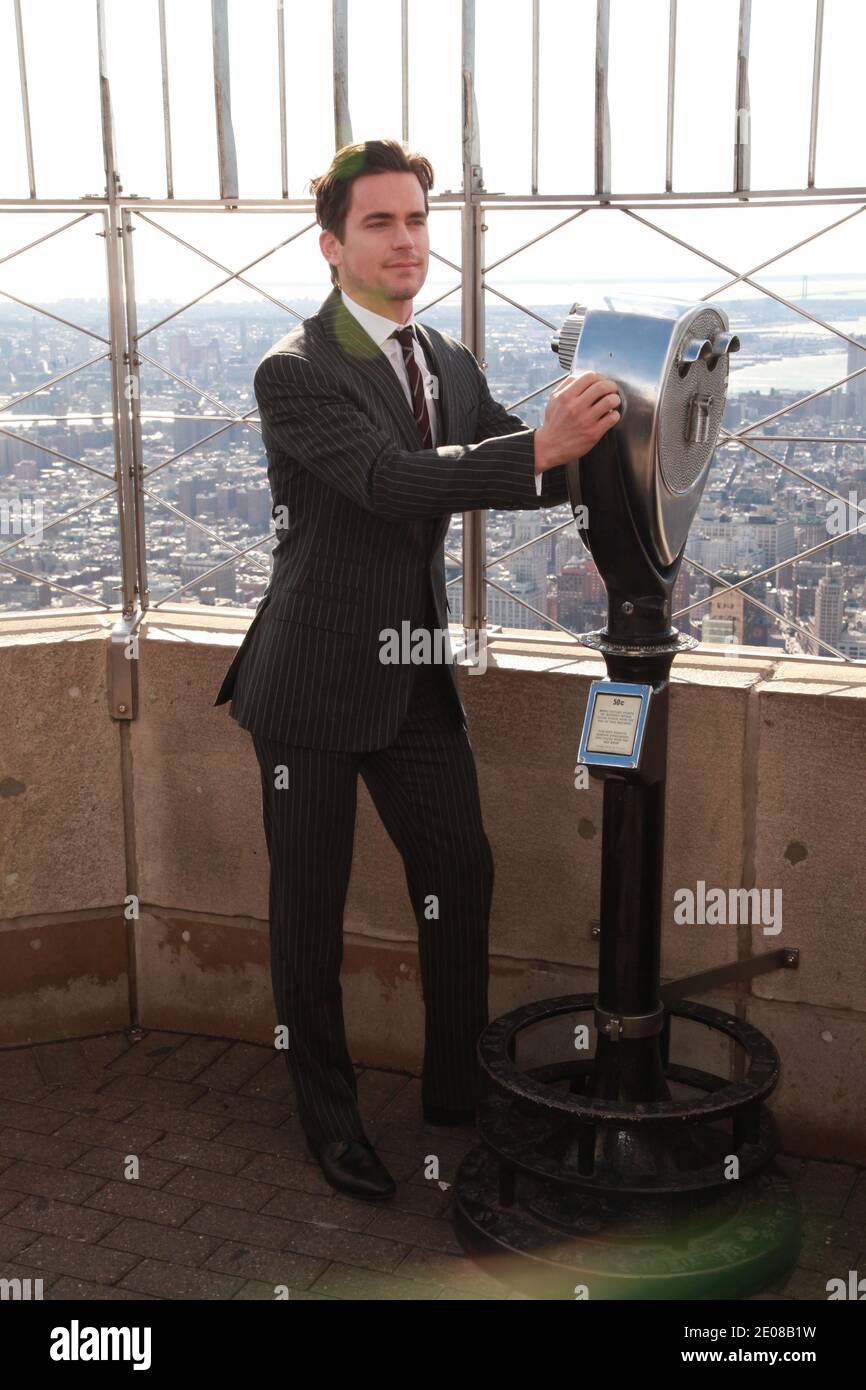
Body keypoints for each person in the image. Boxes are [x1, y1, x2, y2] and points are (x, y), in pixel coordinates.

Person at [214, 138, 620, 1201]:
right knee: (309, 908)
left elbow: (507, 473)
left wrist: (606, 439)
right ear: (331, 246)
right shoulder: (294, 371)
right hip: (305, 685)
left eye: (415, 220)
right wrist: (537, 447)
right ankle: (330, 1118)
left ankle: (454, 1090)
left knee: (461, 874)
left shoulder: (444, 359)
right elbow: (390, 481)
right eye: (379, 223)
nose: (404, 240)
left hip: (409, 678)